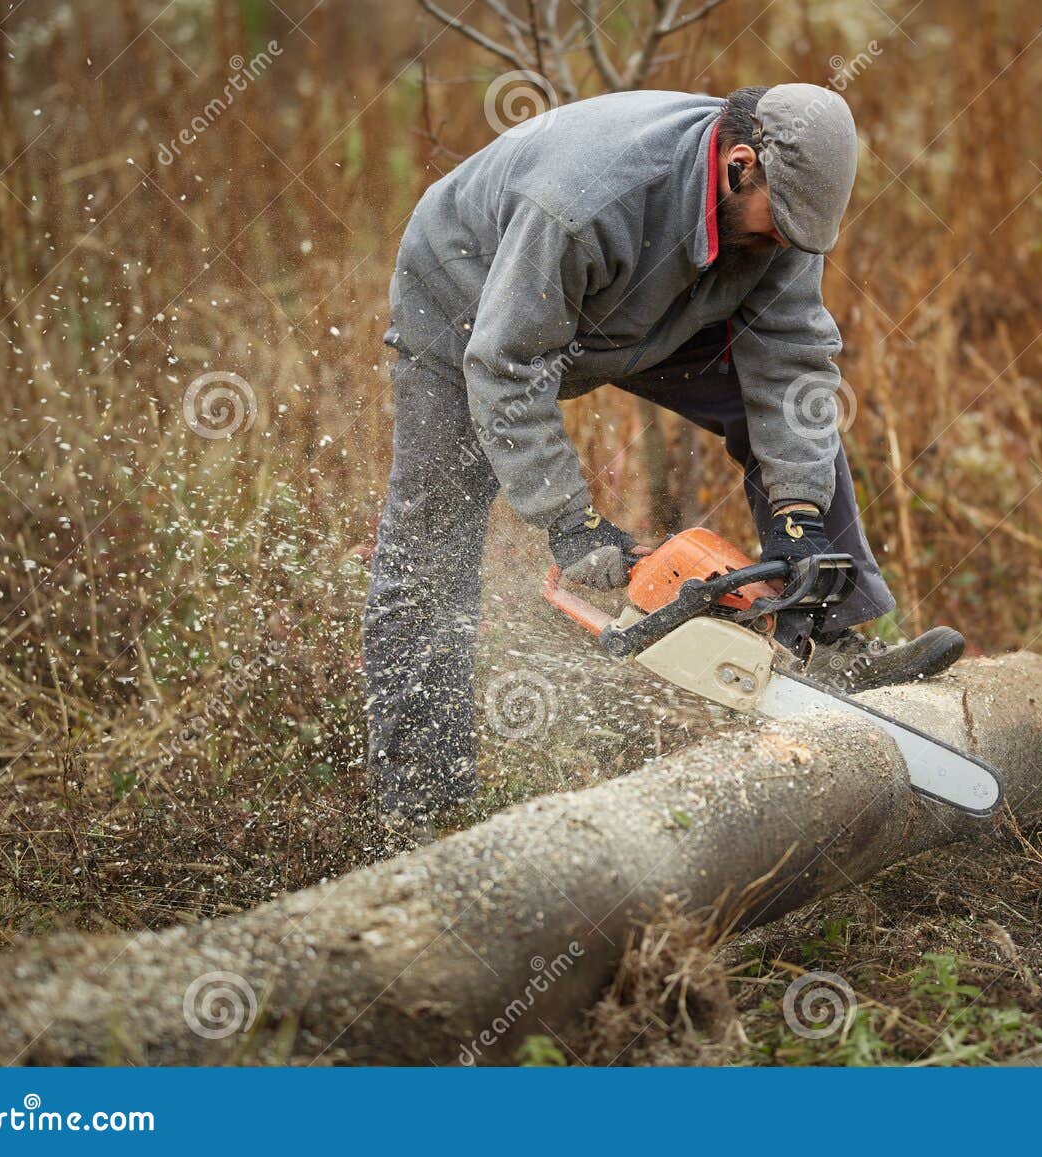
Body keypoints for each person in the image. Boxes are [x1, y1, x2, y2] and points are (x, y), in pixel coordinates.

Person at [366, 83, 965, 831]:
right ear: (739, 166)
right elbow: (508, 360)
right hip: (471, 299)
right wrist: (571, 522)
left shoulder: (781, 218)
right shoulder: (588, 201)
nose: (784, 245)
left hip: (647, 304)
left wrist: (799, 518)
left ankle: (833, 637)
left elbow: (792, 364)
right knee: (430, 548)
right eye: (777, 225)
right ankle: (421, 807)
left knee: (790, 405)